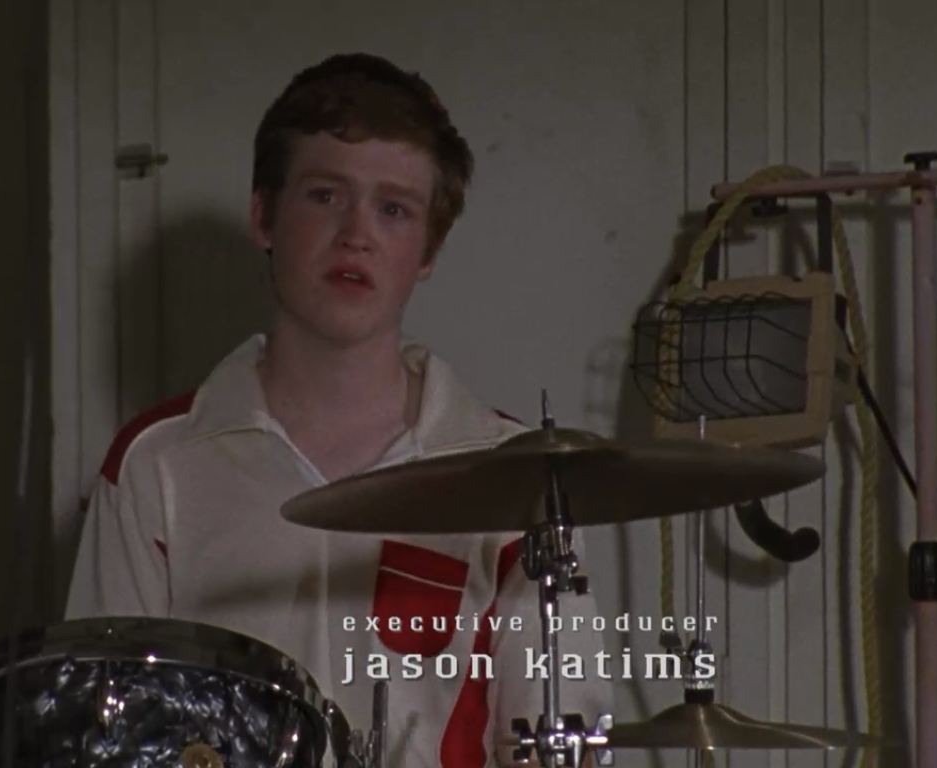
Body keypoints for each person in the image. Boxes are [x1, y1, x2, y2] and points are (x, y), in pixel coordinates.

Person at [65, 52, 611, 767]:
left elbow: (557, 739)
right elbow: (107, 731)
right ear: (264, 216)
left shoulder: (516, 475)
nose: (357, 233)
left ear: (427, 251)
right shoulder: (155, 461)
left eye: (394, 209)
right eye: (325, 195)